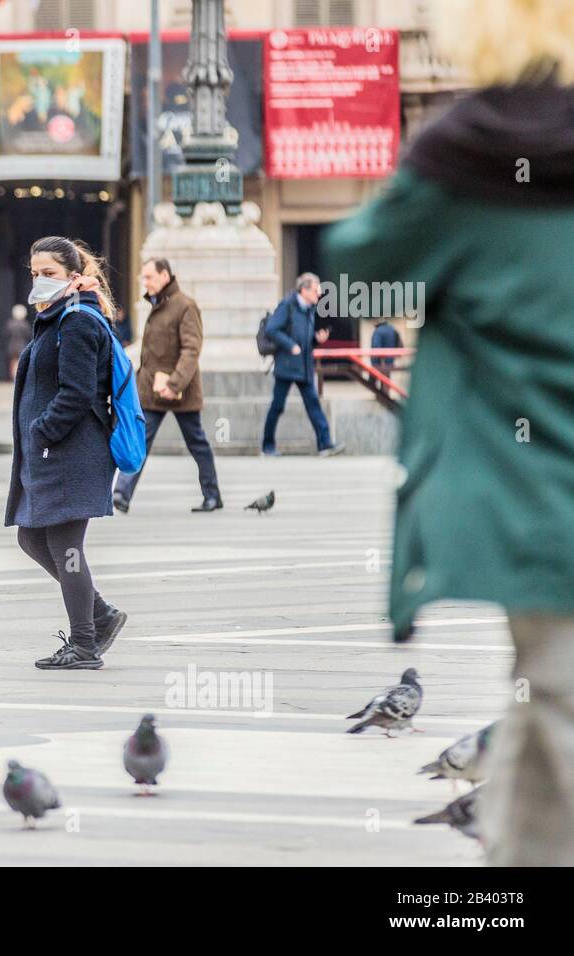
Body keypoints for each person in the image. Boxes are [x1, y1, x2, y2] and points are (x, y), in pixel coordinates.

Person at [323, 0, 574, 865]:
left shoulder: (476, 148)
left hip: (536, 495)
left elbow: (356, 270)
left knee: (559, 699)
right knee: (552, 715)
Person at [7, 236, 126, 671]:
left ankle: (85, 643)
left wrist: (43, 432)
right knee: (31, 536)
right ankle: (99, 615)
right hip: (57, 453)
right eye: (35, 273)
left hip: (72, 453)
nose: (39, 281)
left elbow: (76, 394)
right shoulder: (57, 318)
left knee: (65, 547)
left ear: (72, 277)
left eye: (49, 274)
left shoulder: (77, 322)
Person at [112, 258, 222, 513]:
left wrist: (174, 383)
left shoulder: (185, 306)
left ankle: (212, 495)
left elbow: (191, 349)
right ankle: (122, 493)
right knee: (141, 438)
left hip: (179, 390)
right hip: (153, 390)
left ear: (164, 276)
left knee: (196, 441)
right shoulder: (158, 305)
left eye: (149, 277)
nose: (145, 282)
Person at [261, 274, 345, 457]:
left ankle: (325, 444)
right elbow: (272, 329)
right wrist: (290, 345)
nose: (319, 294)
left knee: (314, 404)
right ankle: (267, 446)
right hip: (287, 366)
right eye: (316, 290)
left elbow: (304, 339)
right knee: (278, 406)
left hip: (304, 366)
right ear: (304, 290)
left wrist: (316, 339)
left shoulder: (309, 308)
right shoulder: (287, 305)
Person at [5, 304, 32, 380]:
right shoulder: (25, 324)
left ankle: (13, 376)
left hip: (12, 346)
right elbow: (28, 335)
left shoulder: (10, 324)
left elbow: (7, 335)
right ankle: (19, 376)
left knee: (13, 362)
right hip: (22, 345)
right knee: (20, 362)